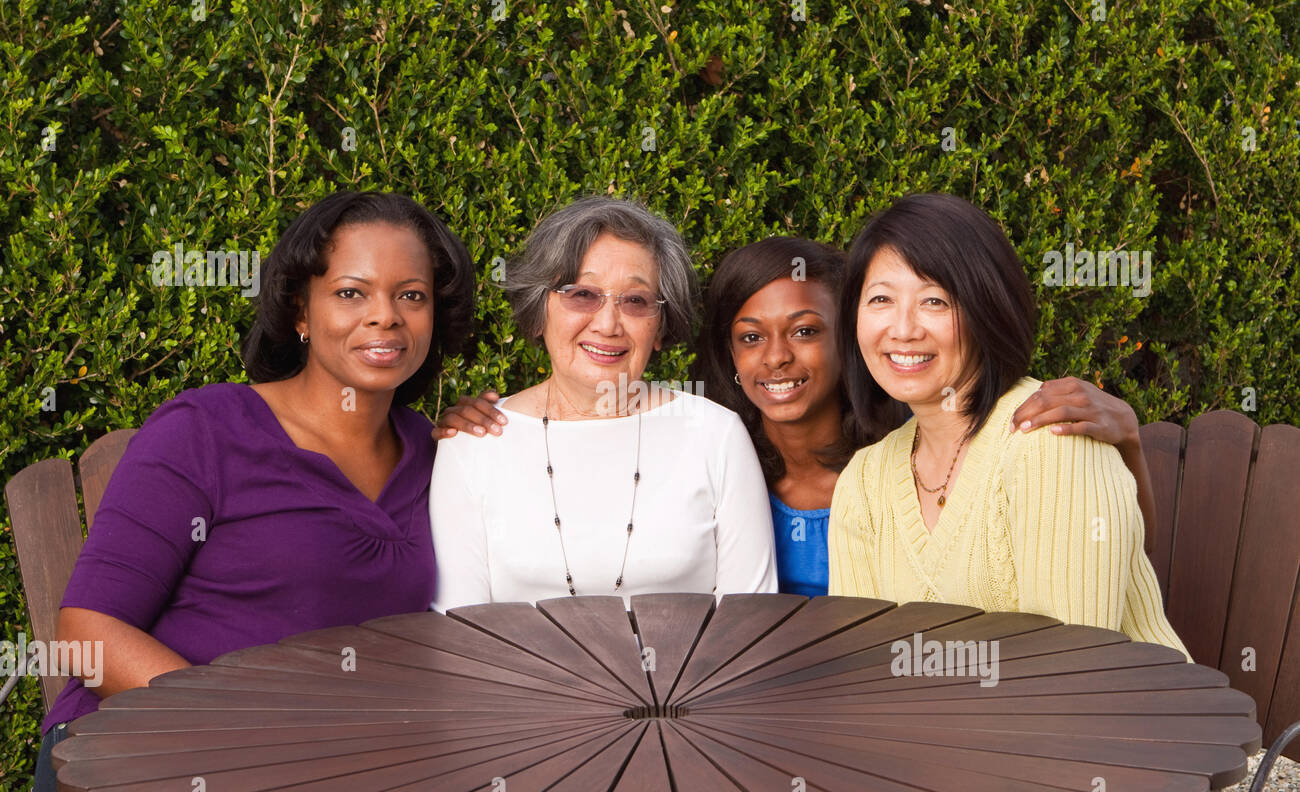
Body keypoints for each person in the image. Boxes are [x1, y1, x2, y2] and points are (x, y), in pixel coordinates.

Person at [32, 191, 476, 792]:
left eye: (412, 295)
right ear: (301, 308)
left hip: (328, 773)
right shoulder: (208, 430)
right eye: (351, 292)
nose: (385, 316)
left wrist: (495, 432)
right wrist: (245, 741)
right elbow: (90, 630)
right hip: (136, 753)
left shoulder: (441, 457)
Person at [439, 236, 1161, 599]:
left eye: (807, 332)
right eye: (750, 338)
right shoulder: (721, 451)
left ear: (845, 336)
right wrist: (495, 419)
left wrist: (1125, 441)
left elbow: (1100, 556)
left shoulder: (900, 457)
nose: (776, 359)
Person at [827, 192, 1188, 657]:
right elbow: (866, 670)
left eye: (934, 301)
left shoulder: (1051, 438)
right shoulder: (863, 482)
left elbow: (1070, 671)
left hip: (1125, 723)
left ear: (985, 309)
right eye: (880, 299)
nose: (903, 329)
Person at [428, 197, 776, 612]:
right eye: (582, 294)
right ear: (539, 312)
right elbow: (461, 629)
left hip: (691, 679)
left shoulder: (715, 434)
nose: (608, 324)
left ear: (660, 327)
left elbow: (749, 619)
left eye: (635, 301)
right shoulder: (473, 442)